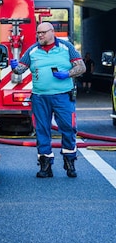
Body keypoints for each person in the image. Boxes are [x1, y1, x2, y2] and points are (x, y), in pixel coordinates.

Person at [10, 21, 86, 178]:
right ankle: (45, 165)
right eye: (38, 33)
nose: (40, 35)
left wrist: (68, 74)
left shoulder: (66, 47)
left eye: (43, 33)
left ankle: (69, 160)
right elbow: (20, 69)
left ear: (52, 32)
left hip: (63, 96)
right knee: (42, 130)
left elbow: (82, 67)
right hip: (40, 98)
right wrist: (14, 66)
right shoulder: (32, 50)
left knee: (68, 128)